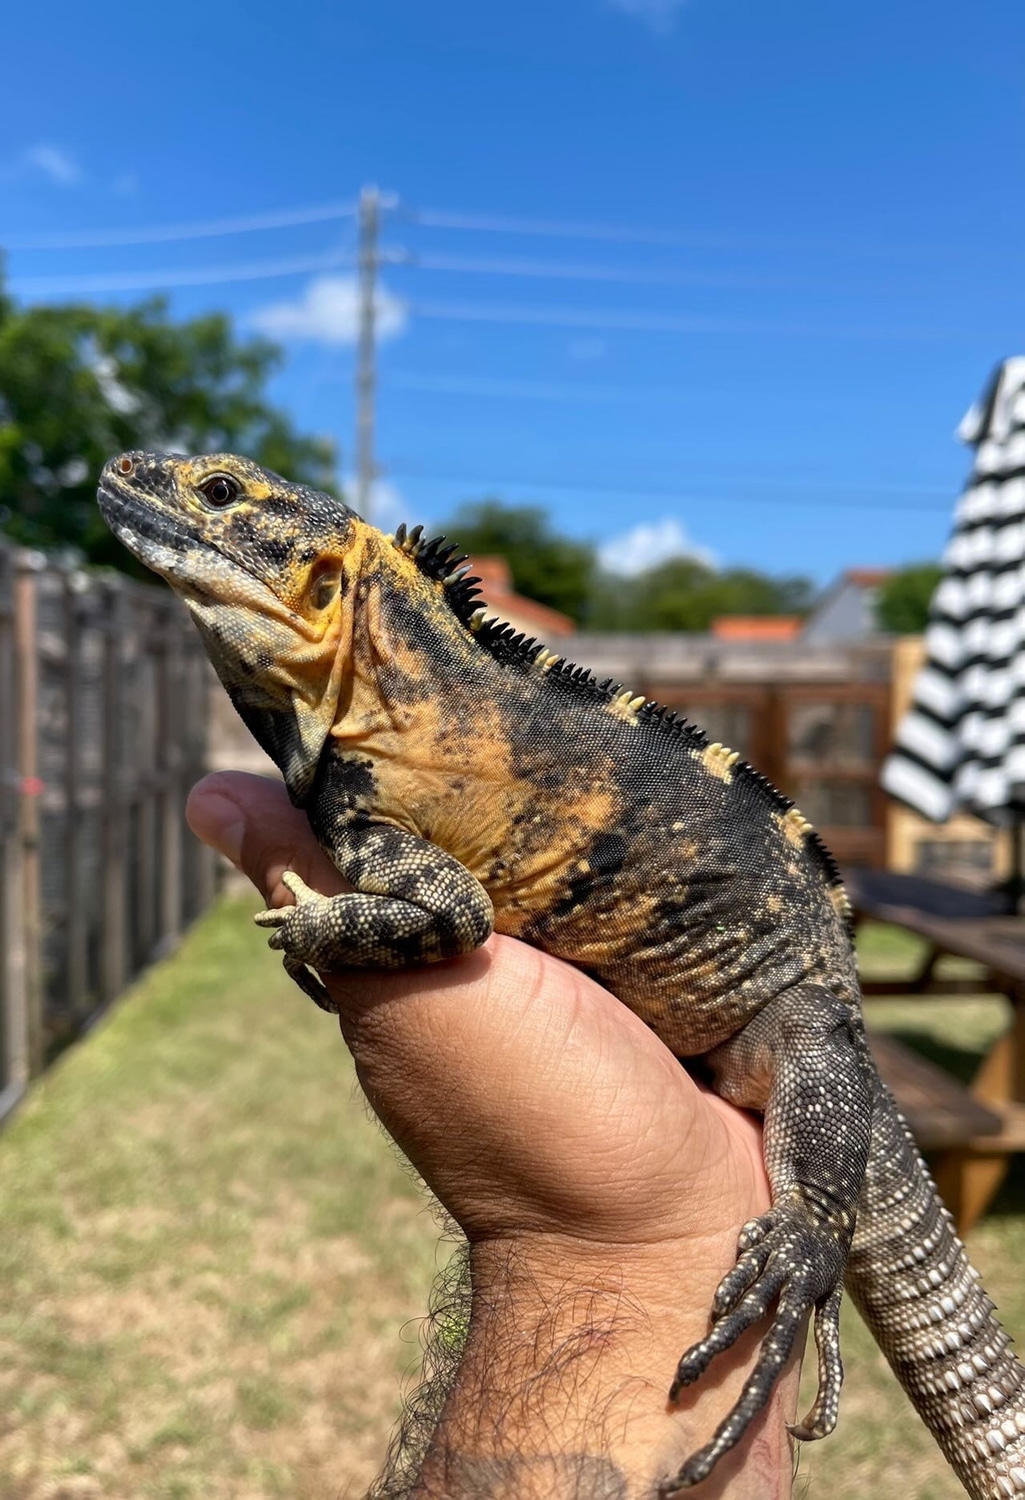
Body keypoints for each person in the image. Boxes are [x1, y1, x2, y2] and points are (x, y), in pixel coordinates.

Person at [187, 770, 803, 1500]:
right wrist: (656, 1246)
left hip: (792, 1029)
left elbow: (453, 912)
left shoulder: (387, 762)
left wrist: (326, 926)